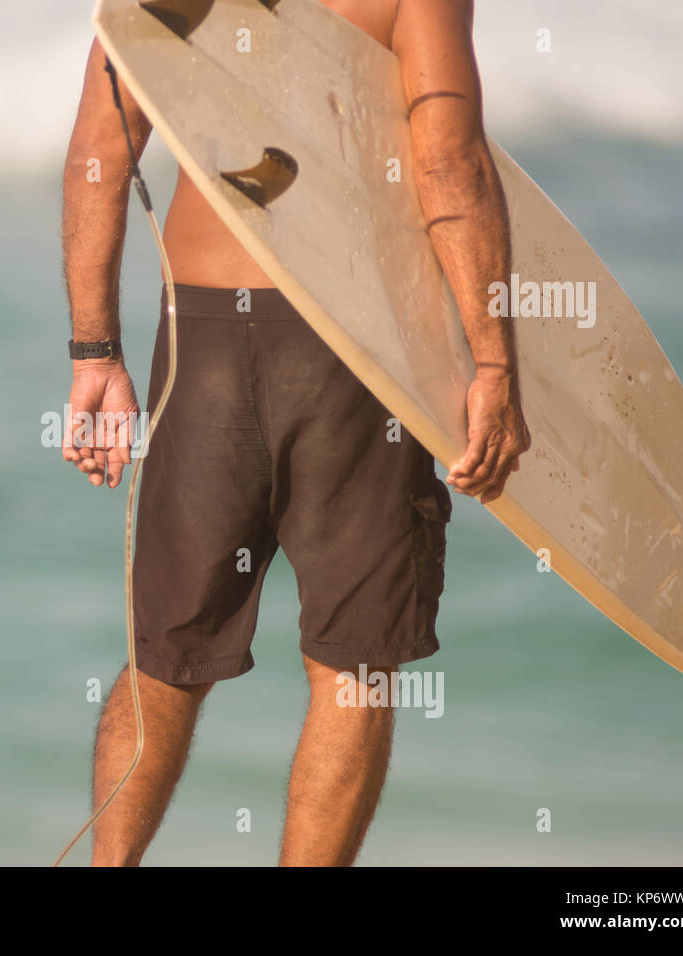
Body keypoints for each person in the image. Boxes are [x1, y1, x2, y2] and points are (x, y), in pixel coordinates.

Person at [59, 0, 531, 866]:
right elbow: (447, 159)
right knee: (353, 663)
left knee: (166, 652)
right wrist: (494, 365)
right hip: (353, 339)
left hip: (201, 328)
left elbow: (99, 152)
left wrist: (96, 353)